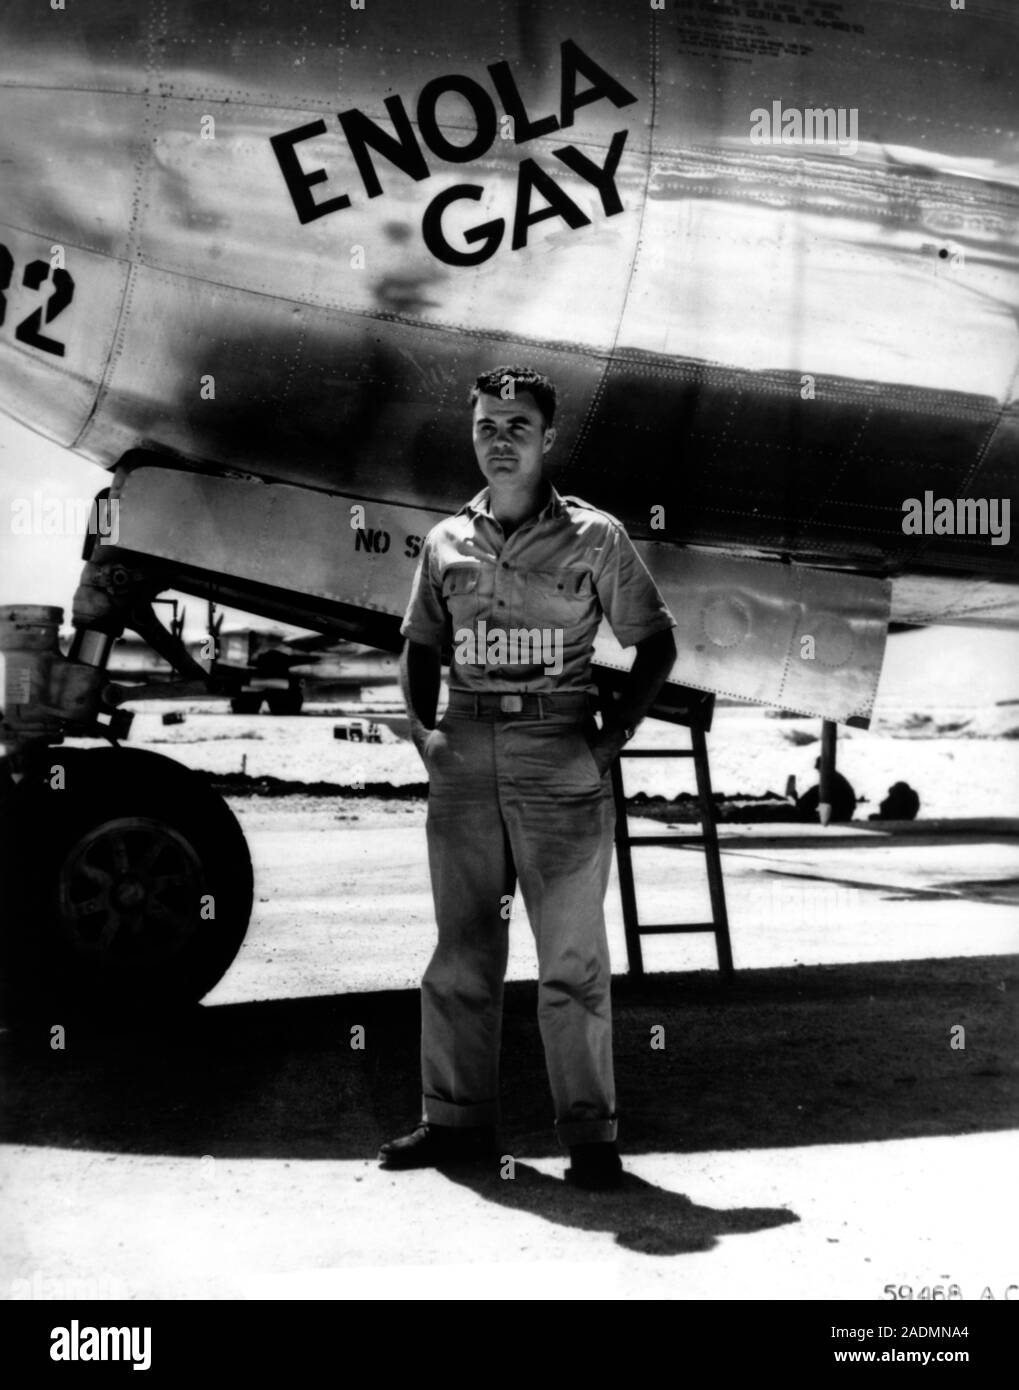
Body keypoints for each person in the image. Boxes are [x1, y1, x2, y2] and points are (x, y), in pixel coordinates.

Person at [379, 364, 677, 1190]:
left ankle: (590, 1139)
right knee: (461, 952)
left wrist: (610, 739)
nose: (498, 440)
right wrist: (425, 736)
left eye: (515, 425)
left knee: (571, 957)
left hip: (560, 752)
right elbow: (419, 644)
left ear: (547, 438)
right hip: (466, 751)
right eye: (484, 426)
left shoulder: (596, 538)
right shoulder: (445, 541)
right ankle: (454, 1123)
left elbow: (655, 643)